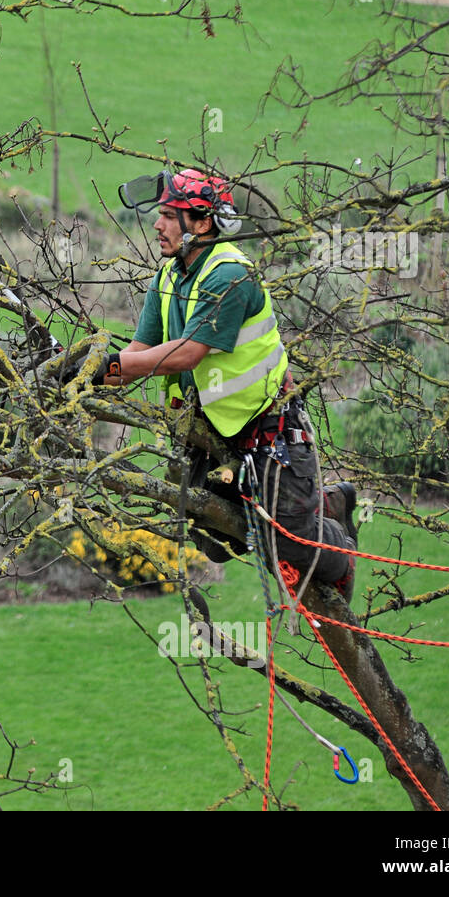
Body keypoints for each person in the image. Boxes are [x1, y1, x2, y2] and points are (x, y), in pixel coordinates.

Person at [97, 168, 358, 598]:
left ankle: (339, 544)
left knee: (292, 543)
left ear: (201, 222)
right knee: (214, 540)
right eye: (159, 214)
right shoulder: (169, 277)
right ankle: (319, 504)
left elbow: (186, 354)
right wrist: (93, 374)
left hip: (267, 430)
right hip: (211, 431)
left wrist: (110, 368)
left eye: (168, 215)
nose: (157, 225)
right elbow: (140, 349)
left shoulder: (229, 275)